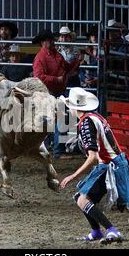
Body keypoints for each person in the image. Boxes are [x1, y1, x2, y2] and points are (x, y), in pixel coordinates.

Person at [59, 87, 129, 244]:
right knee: (79, 197)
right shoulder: (96, 117)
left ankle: (112, 231)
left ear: (74, 107)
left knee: (82, 200)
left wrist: (73, 175)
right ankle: (96, 232)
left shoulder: (85, 123)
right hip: (114, 163)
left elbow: (92, 158)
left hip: (110, 166)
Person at [32, 29, 83, 159]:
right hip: (47, 93)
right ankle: (57, 150)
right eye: (49, 40)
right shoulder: (40, 58)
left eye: (52, 39)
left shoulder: (56, 55)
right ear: (43, 42)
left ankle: (55, 149)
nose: (52, 41)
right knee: (58, 120)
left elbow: (66, 67)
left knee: (57, 120)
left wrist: (77, 62)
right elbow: (39, 76)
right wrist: (56, 79)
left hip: (56, 92)